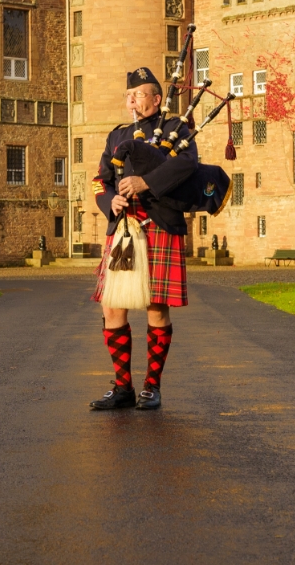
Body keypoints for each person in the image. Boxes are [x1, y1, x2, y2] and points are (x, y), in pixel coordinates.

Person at [89, 67, 198, 411]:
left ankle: (152, 387)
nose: (132, 100)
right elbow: (98, 180)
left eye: (139, 94)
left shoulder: (176, 129)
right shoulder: (116, 135)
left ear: (156, 98)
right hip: (123, 226)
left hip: (160, 224)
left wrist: (144, 183)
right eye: (128, 95)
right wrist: (110, 201)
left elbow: (187, 166)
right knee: (113, 305)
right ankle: (123, 387)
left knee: (155, 304)